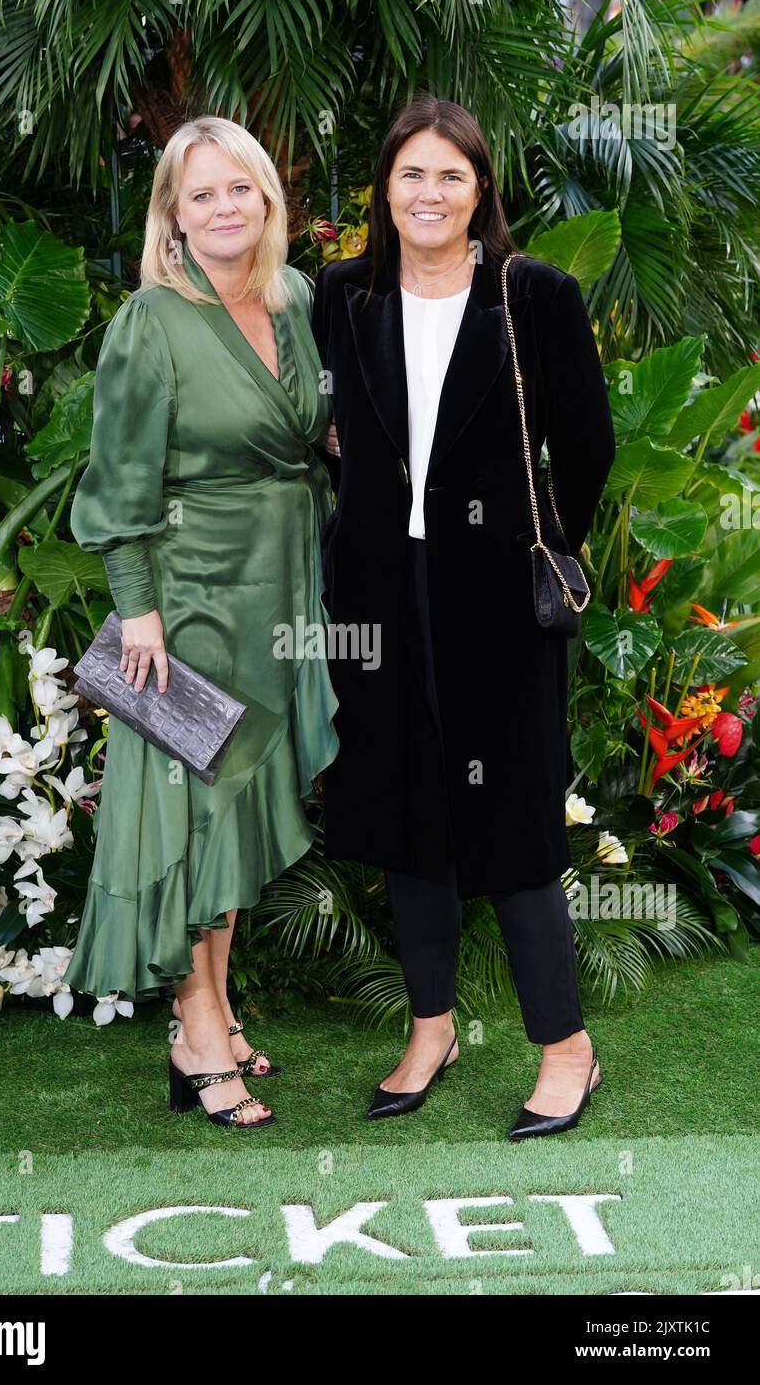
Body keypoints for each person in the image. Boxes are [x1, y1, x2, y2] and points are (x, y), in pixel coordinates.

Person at [313, 95, 616, 1137]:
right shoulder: (342, 295)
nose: (429, 193)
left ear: (479, 188)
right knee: (407, 814)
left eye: (450, 174)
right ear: (383, 192)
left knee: (515, 820)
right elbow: (335, 427)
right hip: (380, 594)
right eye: (410, 174)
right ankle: (429, 1027)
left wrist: (545, 542)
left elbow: (587, 443)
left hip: (498, 599)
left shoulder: (534, 294)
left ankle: (564, 1048)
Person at [65, 116, 338, 1129]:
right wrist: (136, 610)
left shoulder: (294, 296)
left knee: (230, 810)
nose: (225, 207)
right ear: (171, 216)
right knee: (189, 811)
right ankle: (192, 1031)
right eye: (202, 194)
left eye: (242, 190)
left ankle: (215, 1007)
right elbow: (117, 483)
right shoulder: (151, 321)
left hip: (282, 587)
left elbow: (309, 429)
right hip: (186, 601)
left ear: (267, 201)